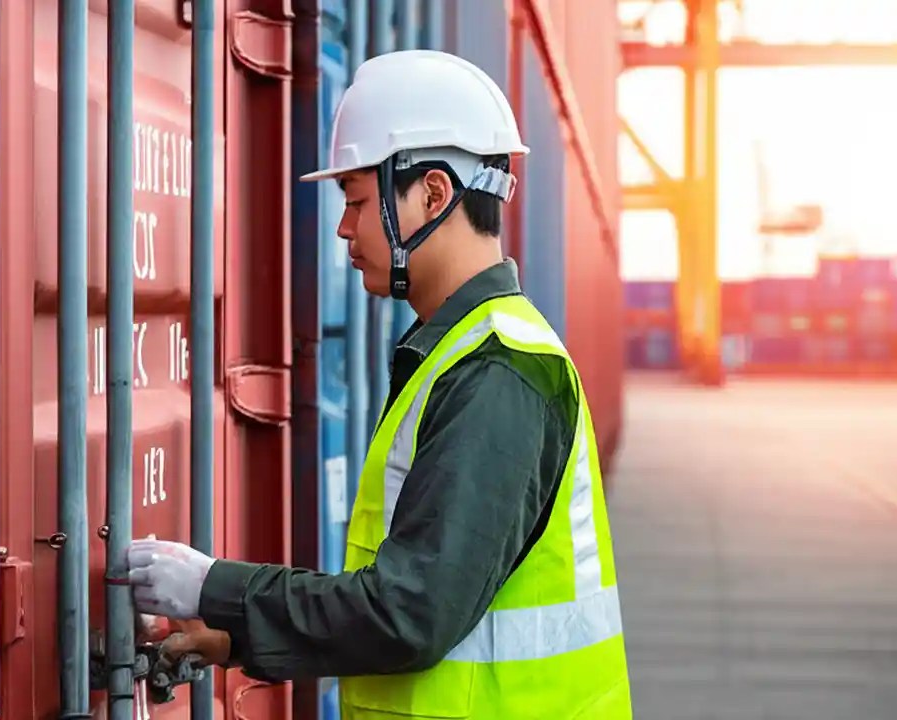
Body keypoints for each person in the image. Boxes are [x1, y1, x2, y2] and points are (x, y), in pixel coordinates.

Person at [128, 49, 633, 718]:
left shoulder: (497, 371)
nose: (343, 227)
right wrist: (235, 635)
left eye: (357, 200)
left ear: (433, 193)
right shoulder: (466, 353)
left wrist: (213, 586)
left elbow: (411, 614)